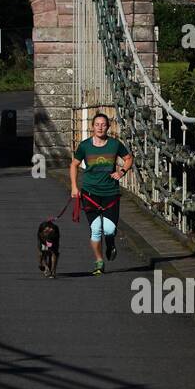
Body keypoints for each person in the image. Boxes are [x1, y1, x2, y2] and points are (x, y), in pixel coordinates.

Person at [69, 113, 133, 276]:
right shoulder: (84, 146)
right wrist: (74, 187)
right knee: (96, 229)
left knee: (110, 230)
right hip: (90, 192)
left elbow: (128, 159)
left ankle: (110, 243)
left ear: (108, 127)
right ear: (92, 126)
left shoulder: (114, 144)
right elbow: (74, 165)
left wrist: (121, 172)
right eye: (97, 124)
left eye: (103, 124)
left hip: (110, 193)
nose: (100, 127)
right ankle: (99, 261)